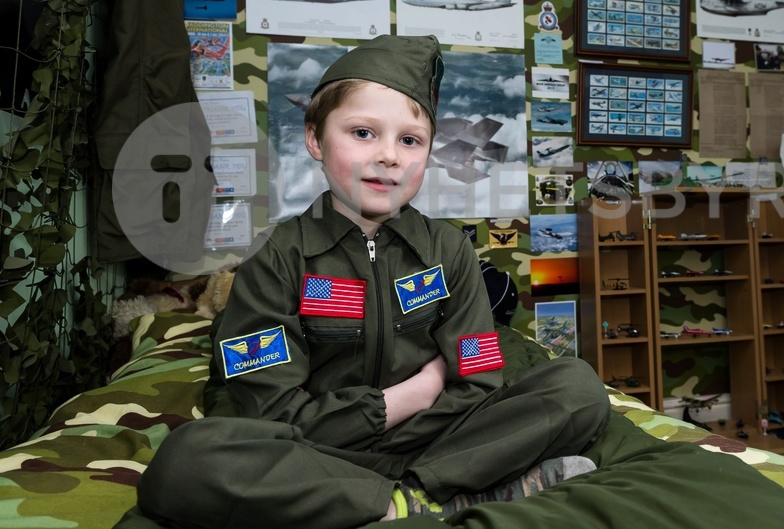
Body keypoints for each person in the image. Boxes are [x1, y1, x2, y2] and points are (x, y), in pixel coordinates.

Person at [120, 35, 610, 529]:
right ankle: (427, 499)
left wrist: (425, 422)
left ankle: (396, 498)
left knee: (577, 388)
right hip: (316, 453)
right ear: (314, 138)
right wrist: (418, 391)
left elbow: (478, 380)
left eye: (410, 140)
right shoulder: (275, 259)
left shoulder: (449, 251)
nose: (389, 157)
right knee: (188, 459)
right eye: (362, 133)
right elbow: (270, 410)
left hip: (440, 441)